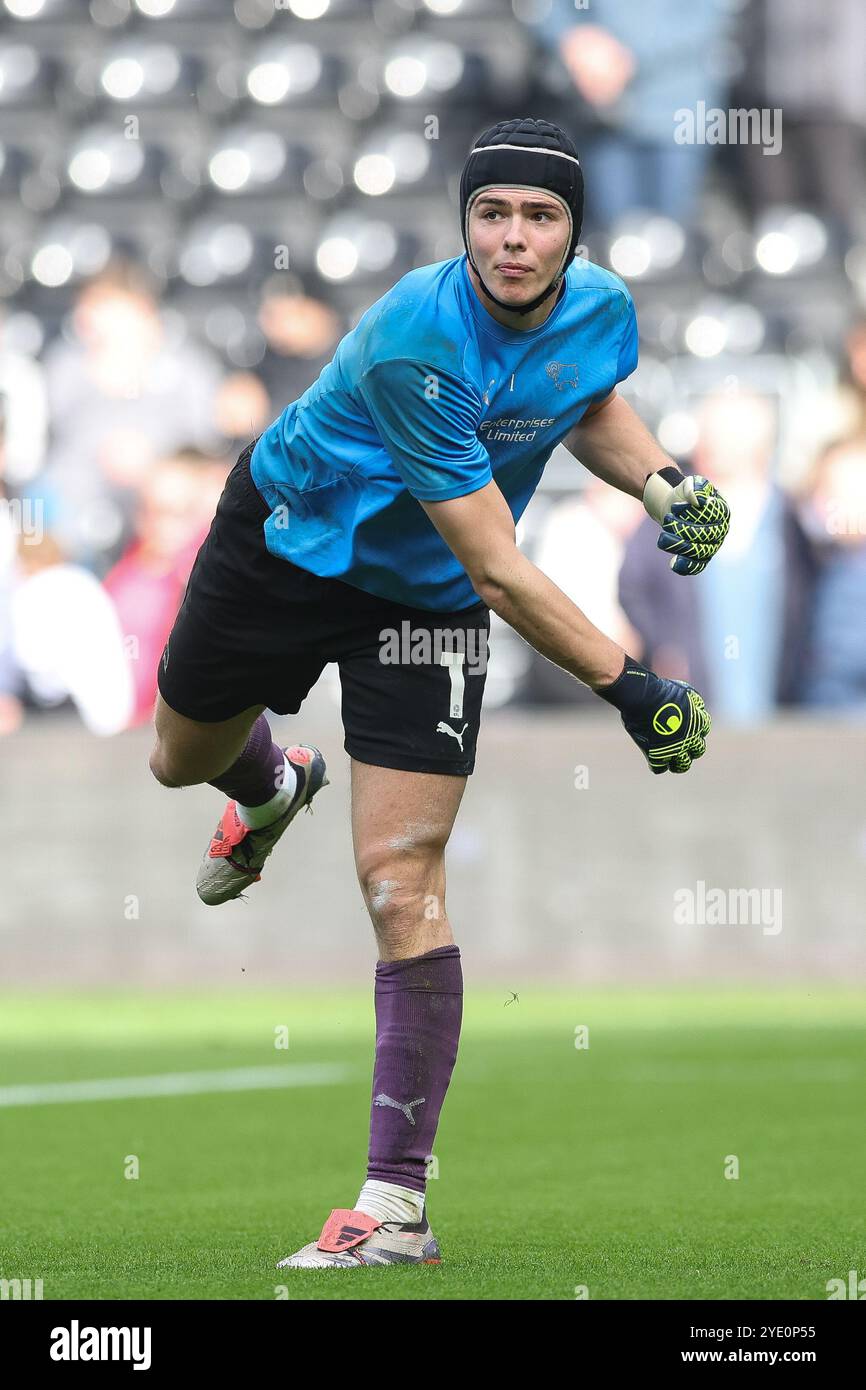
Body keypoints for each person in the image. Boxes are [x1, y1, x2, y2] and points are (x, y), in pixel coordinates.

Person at [148, 118, 731, 1269]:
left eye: (539, 216)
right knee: (178, 755)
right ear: (463, 222)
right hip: (288, 547)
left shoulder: (600, 306)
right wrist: (631, 688)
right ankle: (271, 785)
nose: (512, 238)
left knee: (398, 875)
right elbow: (501, 569)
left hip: (420, 604)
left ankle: (394, 1204)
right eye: (490, 213)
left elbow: (581, 398)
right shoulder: (420, 338)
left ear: (573, 233)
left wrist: (665, 484)